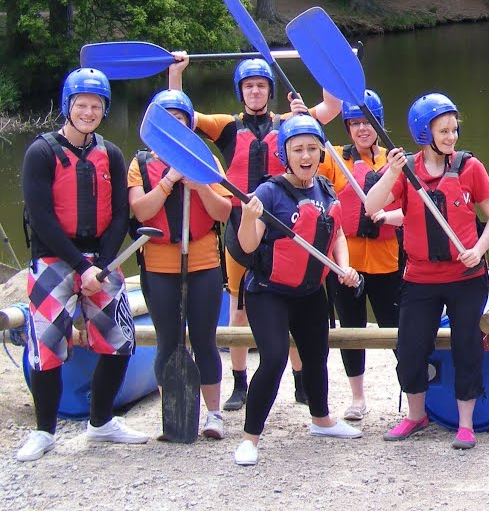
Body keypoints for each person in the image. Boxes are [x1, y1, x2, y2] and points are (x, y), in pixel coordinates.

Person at [169, 54, 340, 410]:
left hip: (284, 230)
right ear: (240, 91)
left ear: (270, 90)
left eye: (261, 86)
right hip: (240, 227)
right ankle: (239, 383)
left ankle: (300, 382)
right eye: (249, 86)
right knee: (238, 309)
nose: (256, 92)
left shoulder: (291, 122)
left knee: (294, 304)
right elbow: (178, 117)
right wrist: (175, 74)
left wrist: (324, 63)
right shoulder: (226, 126)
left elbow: (332, 107)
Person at [16, 68, 148, 462]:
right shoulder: (41, 152)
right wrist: (79, 266)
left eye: (96, 106)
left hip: (101, 261)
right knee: (48, 347)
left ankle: (101, 422)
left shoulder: (110, 153)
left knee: (121, 341)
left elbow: (121, 215)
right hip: (55, 259)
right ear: (67, 106)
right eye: (82, 105)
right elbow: (41, 218)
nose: (89, 112)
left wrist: (103, 265)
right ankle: (43, 432)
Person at [364, 92, 489, 450]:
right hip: (420, 278)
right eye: (443, 131)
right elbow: (371, 205)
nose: (451, 137)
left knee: (466, 345)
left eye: (454, 130)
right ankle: (415, 415)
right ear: (424, 133)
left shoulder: (471, 167)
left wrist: (478, 250)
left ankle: (466, 424)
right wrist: (392, 171)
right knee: (410, 347)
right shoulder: (406, 169)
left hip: (465, 278)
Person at [232, 115, 363, 466]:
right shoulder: (268, 192)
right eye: (297, 149)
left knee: (317, 355)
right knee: (274, 358)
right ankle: (250, 438)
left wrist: (345, 266)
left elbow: (336, 234)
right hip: (268, 291)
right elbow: (247, 245)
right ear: (284, 153)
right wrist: (248, 216)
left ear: (321, 151)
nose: (305, 156)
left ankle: (321, 420)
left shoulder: (325, 188)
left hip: (309, 291)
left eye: (311, 148)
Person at [129, 90, 234, 439]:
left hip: (203, 262)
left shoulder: (207, 161)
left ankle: (214, 414)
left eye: (180, 119)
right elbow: (142, 211)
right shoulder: (140, 163)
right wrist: (169, 179)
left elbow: (223, 212)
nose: (174, 125)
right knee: (169, 342)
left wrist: (199, 184)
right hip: (159, 267)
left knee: (204, 340)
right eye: (166, 119)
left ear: (190, 124)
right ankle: (172, 411)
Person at [318, 90, 404, 422]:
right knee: (351, 329)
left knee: (395, 328)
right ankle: (357, 398)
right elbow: (302, 151)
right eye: (354, 124)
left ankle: (411, 390)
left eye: (366, 122)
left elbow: (412, 209)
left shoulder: (395, 161)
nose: (361, 129)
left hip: (387, 260)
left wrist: (390, 216)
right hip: (346, 263)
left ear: (378, 123)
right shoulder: (334, 157)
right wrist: (304, 113)